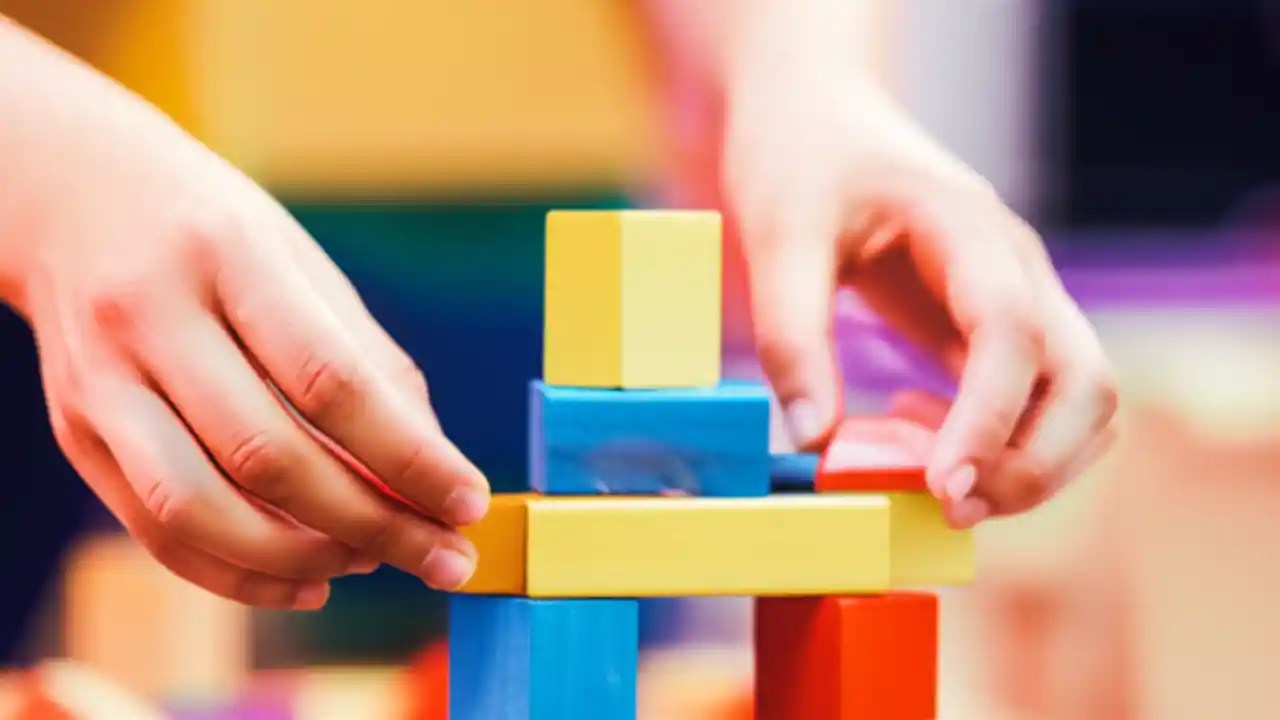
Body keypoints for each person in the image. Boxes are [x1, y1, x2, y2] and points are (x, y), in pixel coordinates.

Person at [0, 3, 1116, 612]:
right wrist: (48, 169)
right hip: (114, 233)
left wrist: (808, 74)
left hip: (553, 234)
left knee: (584, 600)